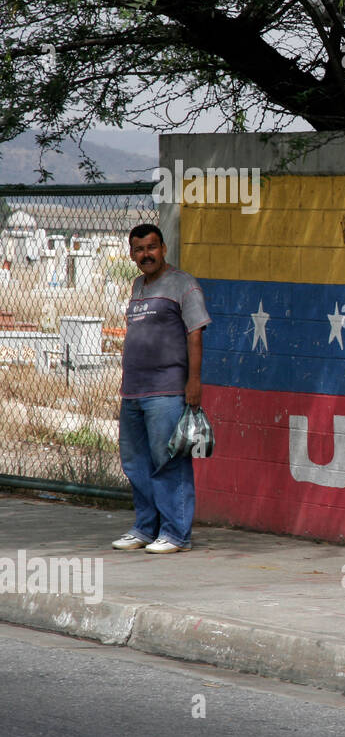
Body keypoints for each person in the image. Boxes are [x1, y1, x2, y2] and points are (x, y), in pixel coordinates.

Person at [111, 223, 211, 554]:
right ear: (131, 254)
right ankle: (145, 527)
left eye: (151, 247)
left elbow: (195, 334)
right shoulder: (138, 285)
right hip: (133, 392)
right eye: (139, 249)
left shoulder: (184, 284)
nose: (146, 255)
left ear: (163, 249)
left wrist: (193, 383)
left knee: (168, 462)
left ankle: (176, 534)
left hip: (166, 392)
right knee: (135, 463)